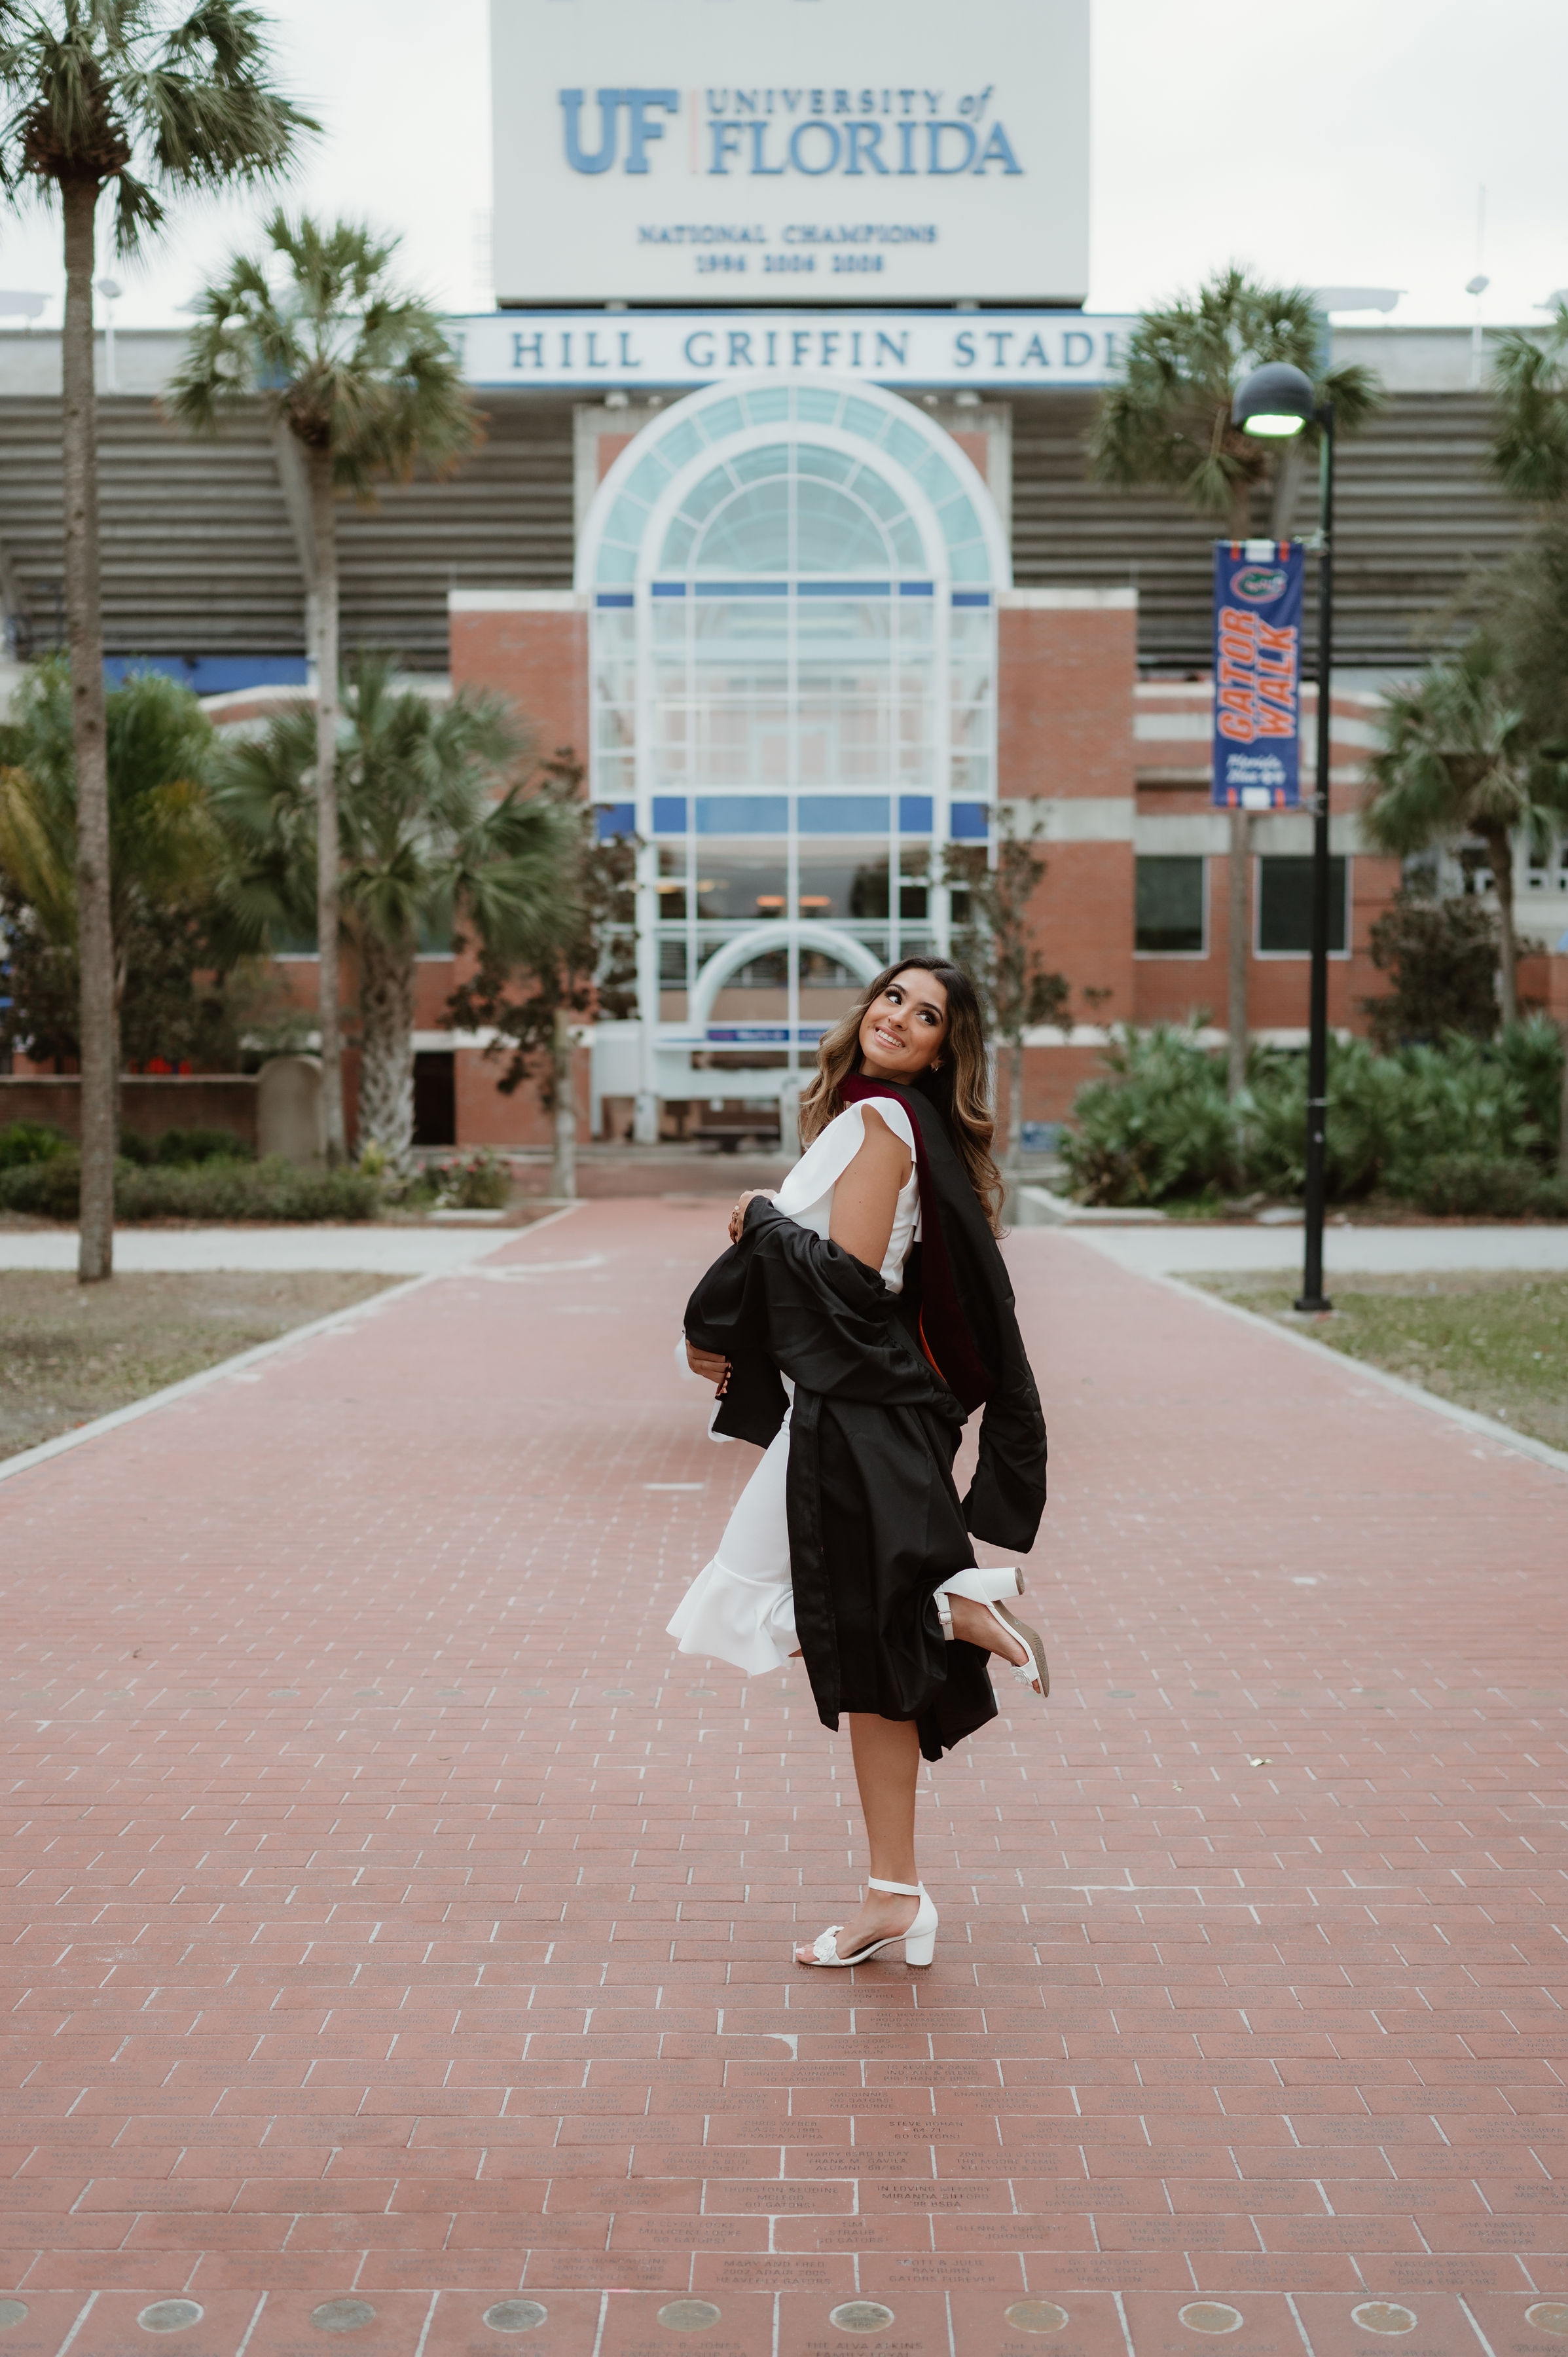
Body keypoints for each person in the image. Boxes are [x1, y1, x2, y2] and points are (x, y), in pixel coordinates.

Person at [666, 957, 1049, 1970]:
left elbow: (847, 1283)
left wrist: (763, 1214)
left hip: (849, 1414)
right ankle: (895, 1893)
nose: (899, 1019)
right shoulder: (883, 1120)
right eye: (893, 998)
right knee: (858, 1654)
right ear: (868, 1008)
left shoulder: (879, 1123)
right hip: (850, 1410)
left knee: (763, 1601)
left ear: (940, 1051)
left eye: (926, 1017)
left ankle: (948, 1606)